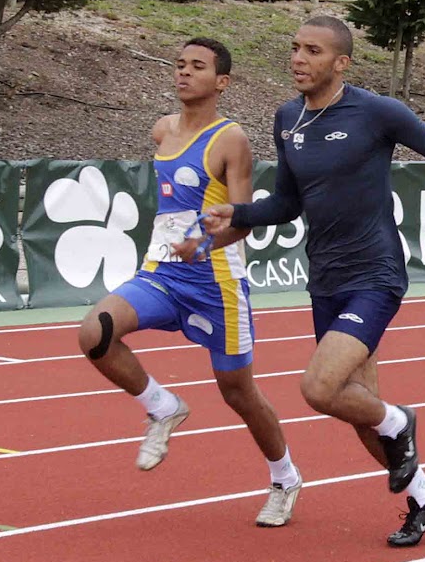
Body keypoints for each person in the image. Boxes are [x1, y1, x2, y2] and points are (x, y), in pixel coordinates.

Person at [202, 15, 425, 548]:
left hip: (375, 274)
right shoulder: (288, 119)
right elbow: (285, 205)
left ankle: (402, 420)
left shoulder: (376, 112)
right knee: (358, 413)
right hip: (324, 278)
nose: (298, 59)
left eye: (313, 51)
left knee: (320, 389)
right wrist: (235, 212)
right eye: (295, 48)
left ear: (341, 62)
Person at [78, 38, 302, 527]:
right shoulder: (163, 131)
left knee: (238, 392)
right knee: (94, 332)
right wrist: (177, 243)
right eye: (179, 64)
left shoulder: (231, 140)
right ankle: (163, 406)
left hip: (216, 282)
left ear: (221, 82)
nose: (184, 73)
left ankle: (284, 477)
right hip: (162, 273)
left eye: (197, 67)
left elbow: (242, 221)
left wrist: (201, 244)